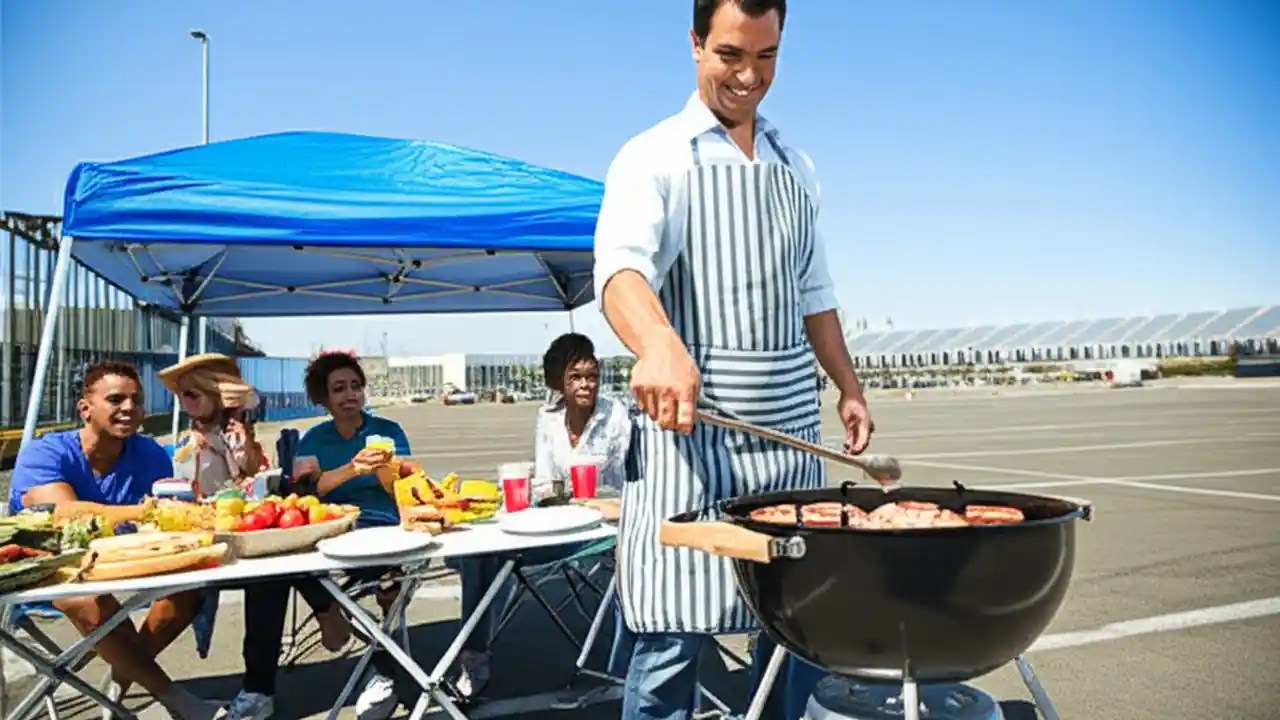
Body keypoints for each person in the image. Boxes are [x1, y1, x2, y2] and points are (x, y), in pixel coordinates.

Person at [592, 2, 882, 718]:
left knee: (796, 638)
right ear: (694, 44)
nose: (749, 76)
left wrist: (847, 385)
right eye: (730, 55)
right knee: (669, 647)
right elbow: (620, 272)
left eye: (767, 56)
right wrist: (658, 343)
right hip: (694, 450)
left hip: (787, 447)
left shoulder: (797, 165)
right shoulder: (653, 155)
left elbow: (814, 291)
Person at [8, 360, 215, 720]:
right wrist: (144, 513)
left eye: (136, 400)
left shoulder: (148, 453)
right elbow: (63, 514)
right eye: (116, 399)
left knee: (189, 587)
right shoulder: (45, 453)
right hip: (47, 571)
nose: (129, 409)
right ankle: (175, 699)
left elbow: (167, 520)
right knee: (86, 599)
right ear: (85, 409)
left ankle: (123, 677)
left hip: (120, 564)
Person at [223, 351, 407, 720]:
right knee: (268, 575)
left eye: (356, 386)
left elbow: (403, 485)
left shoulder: (388, 431)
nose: (350, 395)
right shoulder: (313, 440)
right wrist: (352, 469)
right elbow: (309, 490)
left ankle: (384, 670)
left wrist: (386, 468)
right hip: (328, 528)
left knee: (390, 579)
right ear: (323, 399)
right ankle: (259, 687)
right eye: (339, 389)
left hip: (380, 527)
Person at [161, 353, 266, 496]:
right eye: (181, 395)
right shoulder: (187, 438)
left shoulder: (233, 436)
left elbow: (250, 471)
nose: (185, 402)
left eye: (192, 395)